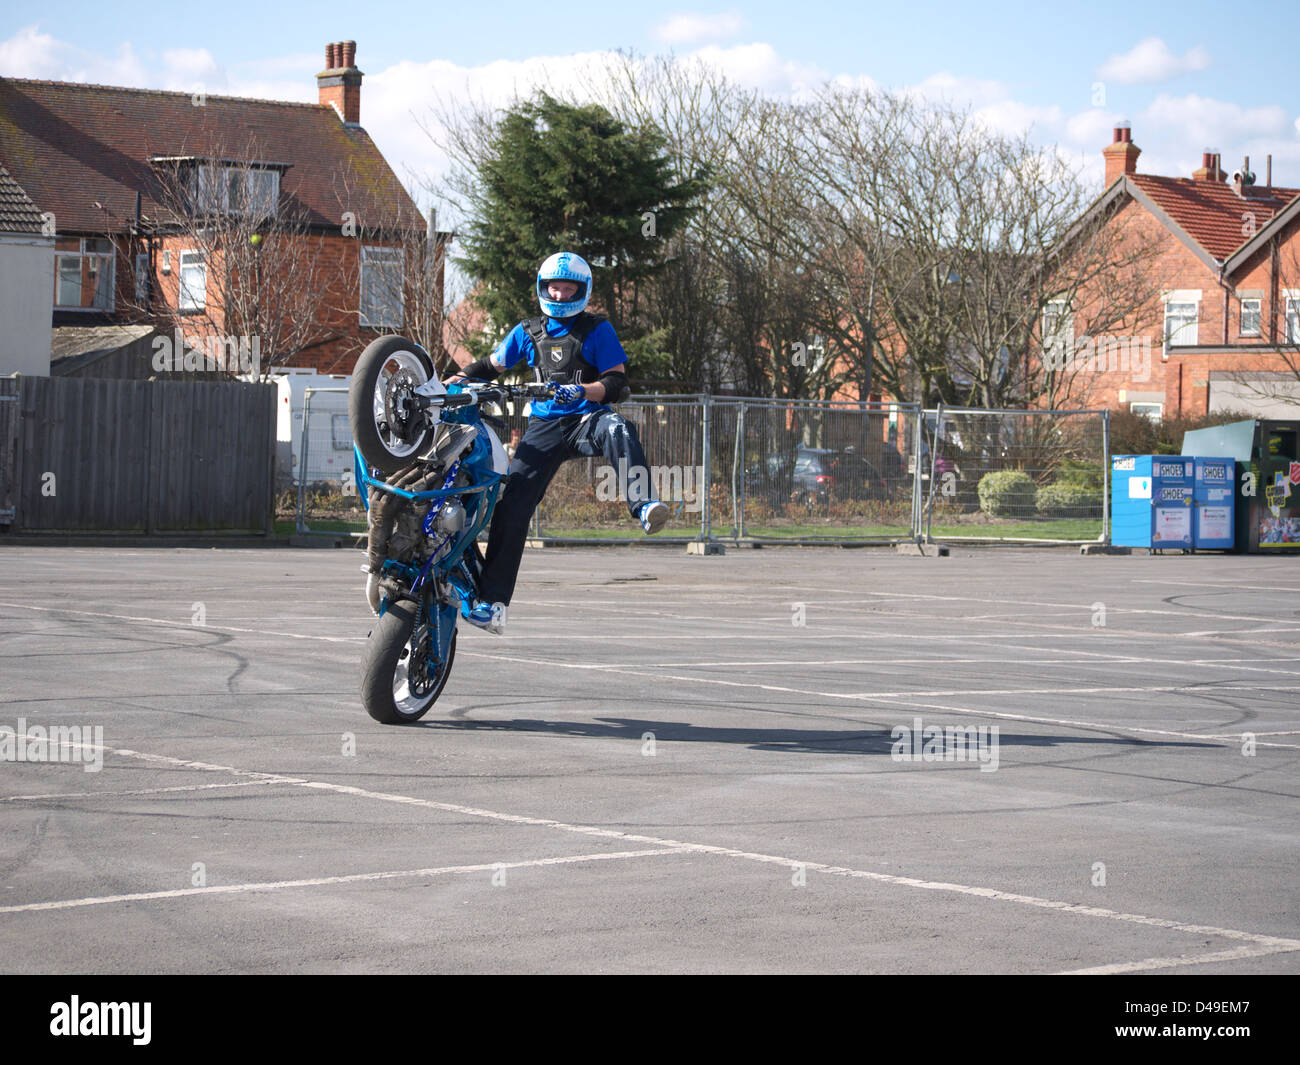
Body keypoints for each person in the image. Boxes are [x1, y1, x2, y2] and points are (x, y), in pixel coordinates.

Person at [449, 251, 668, 635]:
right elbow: (492, 365)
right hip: (544, 427)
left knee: (618, 427)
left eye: (569, 289)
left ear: (582, 291)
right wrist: (458, 378)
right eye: (555, 287)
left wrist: (583, 390)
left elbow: (618, 384)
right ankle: (493, 605)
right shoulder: (527, 331)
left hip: (587, 418)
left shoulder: (598, 330)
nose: (561, 295)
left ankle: (645, 503)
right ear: (542, 287)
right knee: (512, 507)